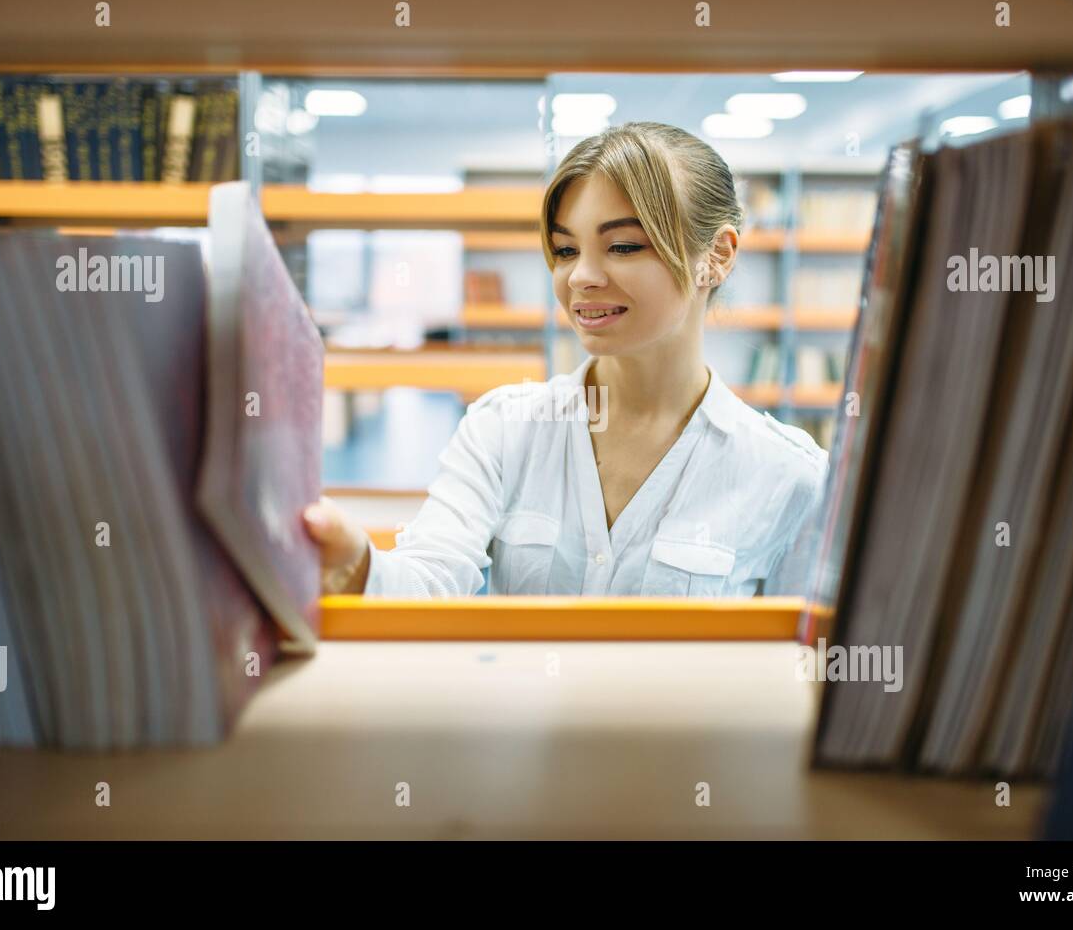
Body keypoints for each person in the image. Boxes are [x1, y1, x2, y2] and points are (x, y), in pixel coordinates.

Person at [303, 121, 827, 598]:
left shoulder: (789, 476)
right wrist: (356, 564)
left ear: (717, 256)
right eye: (566, 250)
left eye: (622, 247)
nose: (580, 278)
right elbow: (429, 581)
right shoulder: (505, 429)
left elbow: (799, 670)